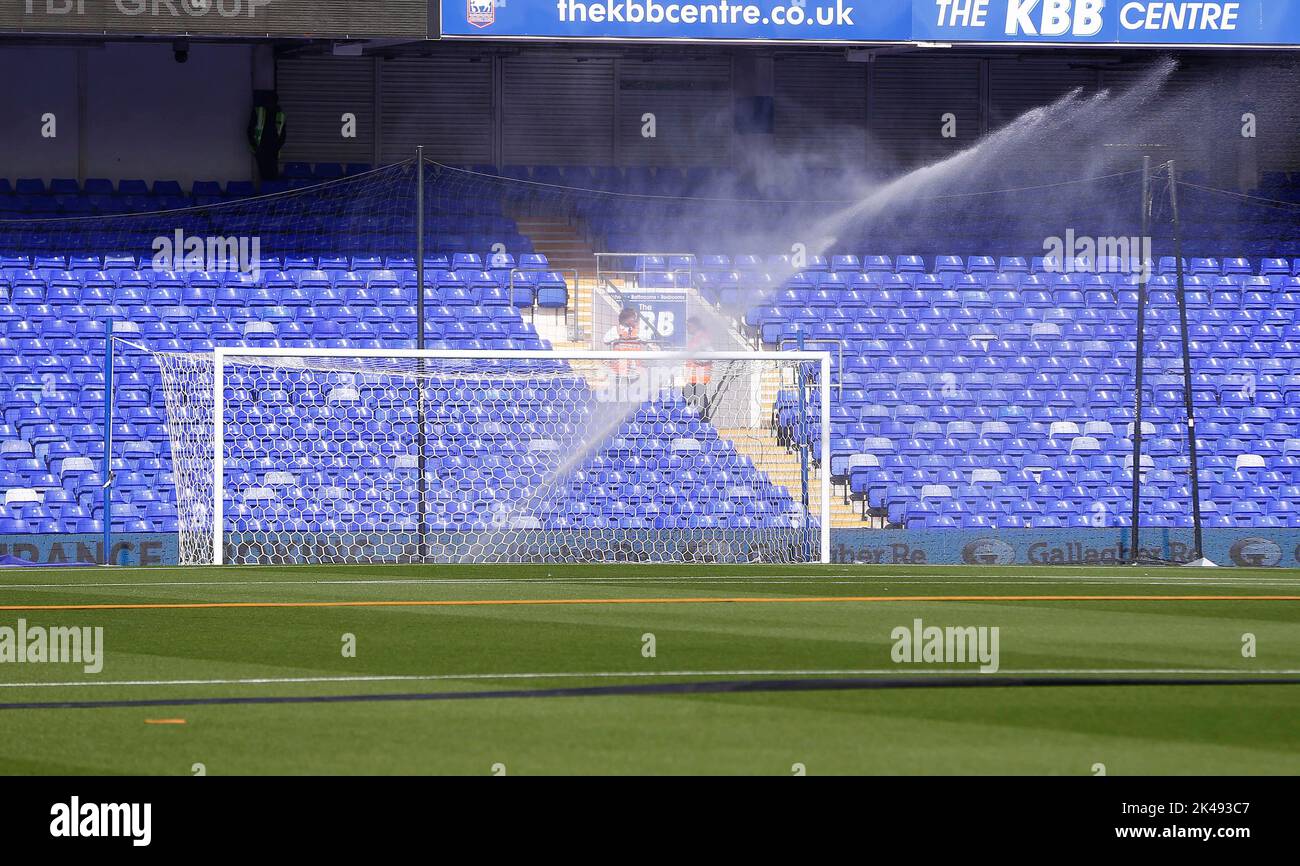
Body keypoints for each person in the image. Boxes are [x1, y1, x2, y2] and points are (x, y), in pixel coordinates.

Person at [684, 315, 713, 421]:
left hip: (699, 375)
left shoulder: (703, 338)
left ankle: (704, 423)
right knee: (694, 398)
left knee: (696, 399)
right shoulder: (695, 338)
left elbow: (709, 354)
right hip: (693, 376)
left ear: (695, 326)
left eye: (689, 326)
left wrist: (696, 359)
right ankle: (702, 421)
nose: (687, 328)